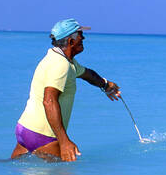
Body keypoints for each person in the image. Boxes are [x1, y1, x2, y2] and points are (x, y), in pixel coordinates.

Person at [12, 18, 121, 160]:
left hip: (25, 129)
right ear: (70, 41)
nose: (84, 38)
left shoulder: (60, 59)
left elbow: (87, 74)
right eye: (80, 35)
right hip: (43, 135)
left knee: (16, 174)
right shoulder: (61, 65)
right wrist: (64, 141)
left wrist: (106, 85)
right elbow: (49, 100)